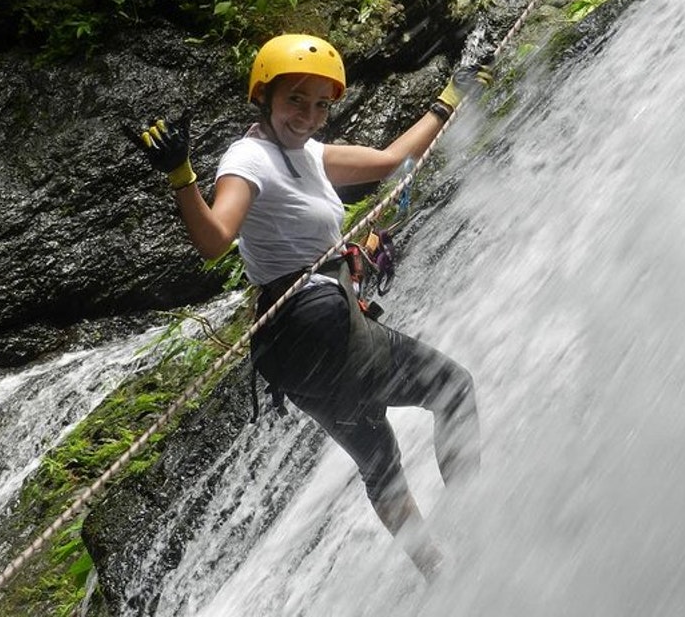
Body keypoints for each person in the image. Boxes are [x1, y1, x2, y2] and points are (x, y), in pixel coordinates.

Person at [129, 34, 489, 580]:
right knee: (453, 388)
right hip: (319, 321)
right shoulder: (249, 158)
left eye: (321, 104)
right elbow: (215, 238)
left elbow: (392, 159)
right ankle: (480, 526)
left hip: (291, 354)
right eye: (296, 99)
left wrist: (449, 98)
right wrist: (183, 177)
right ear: (265, 97)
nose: (309, 115)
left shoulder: (312, 156)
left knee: (379, 462)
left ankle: (438, 573)